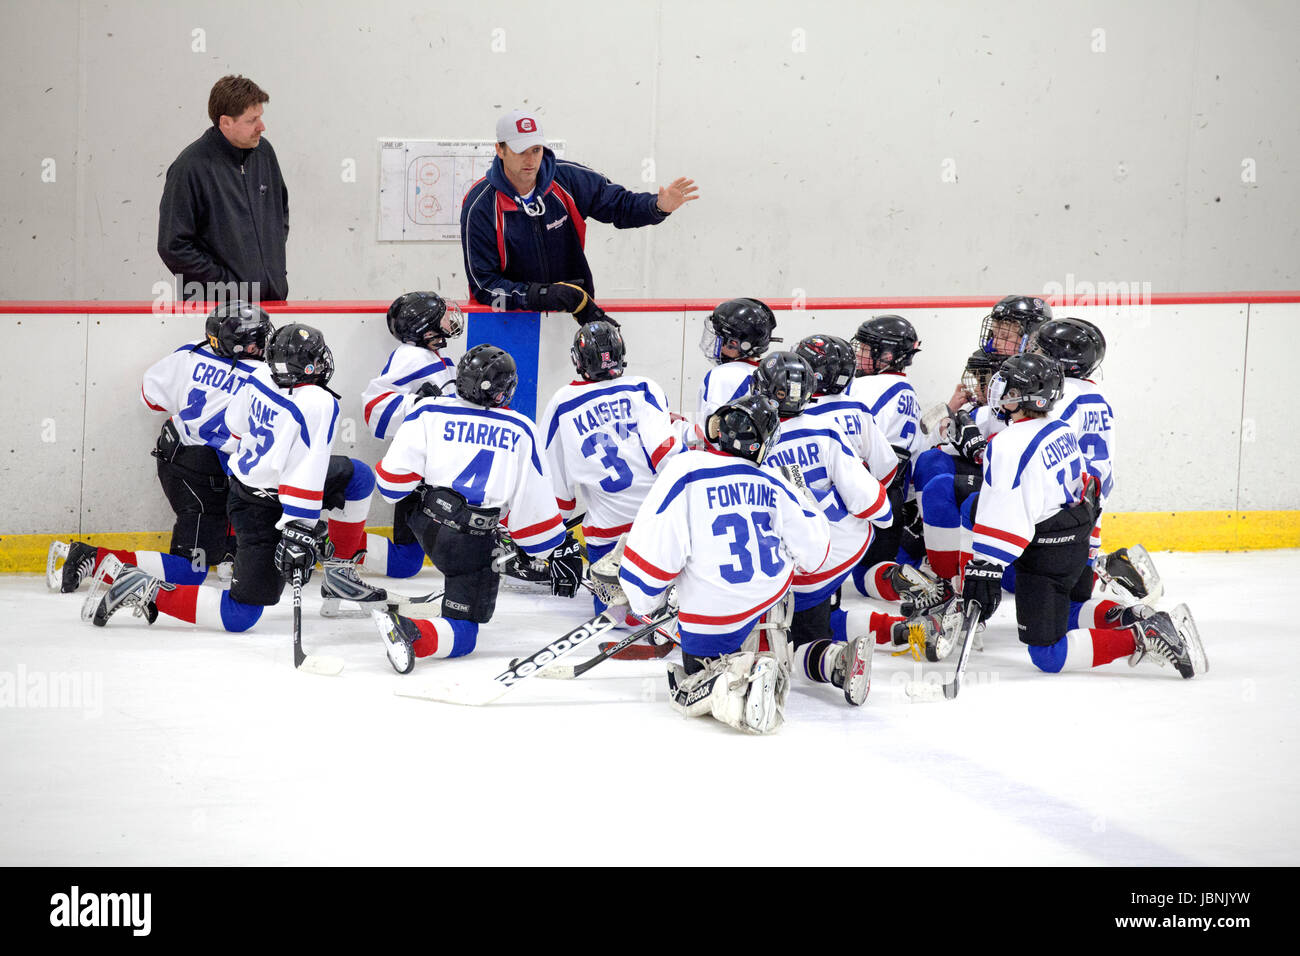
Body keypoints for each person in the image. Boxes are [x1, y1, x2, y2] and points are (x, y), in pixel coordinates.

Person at [82, 324, 385, 630]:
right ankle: (143, 587)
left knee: (357, 476)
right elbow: (307, 470)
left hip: (248, 487)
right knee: (239, 615)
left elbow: (235, 425)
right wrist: (298, 529)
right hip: (261, 508)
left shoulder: (260, 376)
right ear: (308, 366)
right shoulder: (319, 402)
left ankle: (340, 574)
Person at [957, 353, 1204, 678]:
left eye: (1007, 387)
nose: (1000, 392)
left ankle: (1141, 637)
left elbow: (1005, 512)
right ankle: (1139, 615)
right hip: (1077, 542)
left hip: (1047, 556)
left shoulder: (1006, 444)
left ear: (1019, 396)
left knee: (1048, 654)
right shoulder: (1060, 429)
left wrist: (984, 568)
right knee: (1070, 608)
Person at [610, 394, 832, 734]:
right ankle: (778, 665)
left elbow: (657, 552)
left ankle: (722, 689)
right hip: (771, 612)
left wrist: (643, 598)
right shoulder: (776, 480)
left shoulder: (686, 468)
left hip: (711, 623)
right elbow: (816, 555)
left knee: (686, 682)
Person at [369, 345, 584, 674]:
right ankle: (412, 632)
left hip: (422, 523)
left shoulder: (427, 411)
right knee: (464, 632)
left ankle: (345, 547)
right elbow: (535, 530)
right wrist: (555, 551)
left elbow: (391, 486)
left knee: (413, 497)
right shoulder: (521, 429)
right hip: (469, 544)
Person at [49, 302, 272, 594]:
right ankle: (92, 558)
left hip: (176, 454)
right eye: (257, 340)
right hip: (201, 476)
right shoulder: (264, 377)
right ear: (242, 347)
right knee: (189, 573)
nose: (263, 345)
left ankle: (226, 551)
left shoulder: (192, 351)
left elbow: (151, 398)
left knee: (239, 489)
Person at [748, 351, 930, 706]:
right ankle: (905, 629)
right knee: (827, 610)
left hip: (794, 566)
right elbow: (875, 502)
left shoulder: (754, 438)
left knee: (788, 644)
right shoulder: (827, 428)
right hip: (843, 548)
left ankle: (835, 660)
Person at [460, 109, 698, 317]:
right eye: (521, 151)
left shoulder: (568, 178)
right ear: (500, 150)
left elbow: (619, 205)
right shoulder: (480, 205)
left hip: (572, 313)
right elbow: (485, 285)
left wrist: (657, 206)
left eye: (536, 149)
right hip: (509, 320)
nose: (530, 159)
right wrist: (541, 295)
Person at [538, 319, 683, 634]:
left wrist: (557, 532)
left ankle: (634, 602)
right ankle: (667, 599)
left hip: (607, 532)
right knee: (670, 594)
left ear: (578, 360)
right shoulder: (644, 387)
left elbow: (555, 482)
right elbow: (668, 457)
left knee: (616, 619)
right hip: (655, 527)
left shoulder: (562, 403)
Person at [359, 291, 465, 578]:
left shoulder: (437, 357)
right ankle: (334, 543)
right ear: (425, 327)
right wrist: (415, 404)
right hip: (417, 474)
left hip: (440, 473)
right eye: (442, 315)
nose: (451, 318)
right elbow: (373, 407)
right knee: (405, 562)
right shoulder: (410, 357)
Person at [158, 75, 289, 304]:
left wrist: (272, 266)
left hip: (271, 303)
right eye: (252, 120)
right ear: (226, 122)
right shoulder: (189, 168)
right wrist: (229, 287)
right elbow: (174, 246)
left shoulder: (264, 153)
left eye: (261, 117)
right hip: (216, 311)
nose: (262, 127)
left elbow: (280, 213)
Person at [695, 298, 781, 424]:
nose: (715, 345)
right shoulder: (772, 375)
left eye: (719, 338)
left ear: (734, 344)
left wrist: (678, 426)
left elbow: (710, 436)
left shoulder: (722, 376)